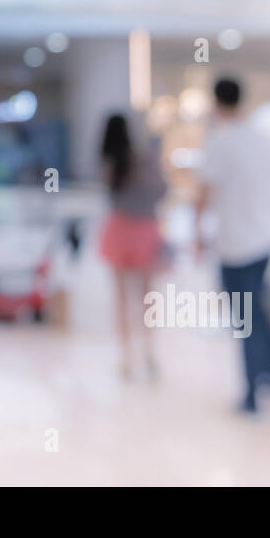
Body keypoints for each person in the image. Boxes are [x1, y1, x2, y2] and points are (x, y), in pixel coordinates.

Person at [194, 78, 270, 415]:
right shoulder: (265, 140)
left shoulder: (219, 143)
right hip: (264, 241)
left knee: (246, 319)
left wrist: (197, 232)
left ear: (216, 103)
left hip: (233, 244)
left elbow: (204, 195)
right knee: (257, 312)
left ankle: (254, 393)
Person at [98, 114, 167, 380]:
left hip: (118, 229)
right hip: (144, 230)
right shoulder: (145, 159)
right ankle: (149, 351)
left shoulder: (109, 163)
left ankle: (126, 357)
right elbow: (162, 191)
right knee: (147, 297)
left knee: (121, 298)